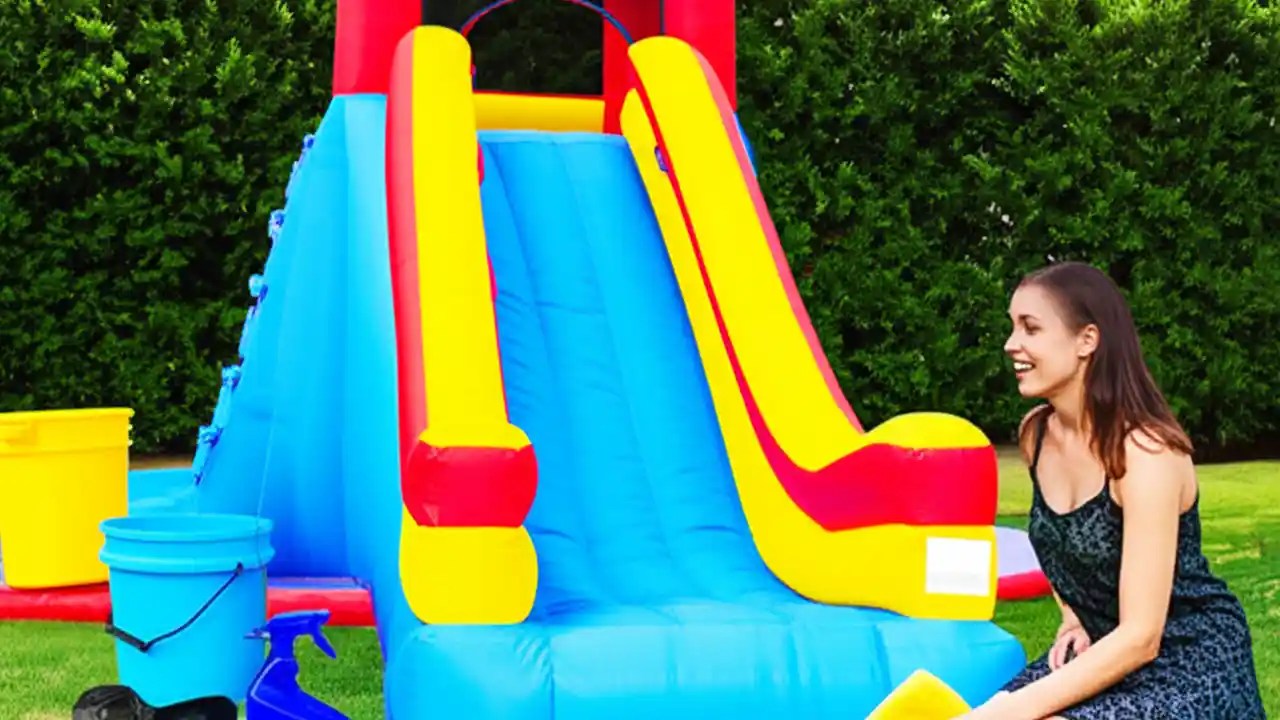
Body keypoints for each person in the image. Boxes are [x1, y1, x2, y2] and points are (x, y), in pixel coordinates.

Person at [959, 261, 1266, 720]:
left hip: (1186, 661)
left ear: (1087, 340)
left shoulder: (1146, 454)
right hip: (1107, 651)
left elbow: (1142, 636)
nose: (1011, 344)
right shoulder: (1036, 436)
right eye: (1012, 327)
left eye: (1031, 328)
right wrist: (1073, 614)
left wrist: (1012, 711)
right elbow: (1057, 537)